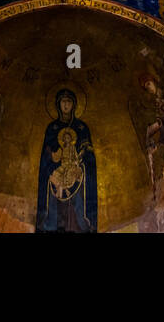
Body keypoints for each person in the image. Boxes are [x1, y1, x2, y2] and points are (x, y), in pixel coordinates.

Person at [36, 88, 97, 232]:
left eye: (69, 101)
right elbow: (47, 152)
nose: (66, 105)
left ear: (74, 105)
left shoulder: (81, 128)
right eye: (63, 101)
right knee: (54, 189)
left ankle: (80, 224)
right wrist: (52, 160)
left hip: (76, 170)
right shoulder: (52, 128)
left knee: (78, 193)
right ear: (58, 104)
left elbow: (88, 151)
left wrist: (82, 158)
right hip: (57, 168)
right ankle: (51, 225)